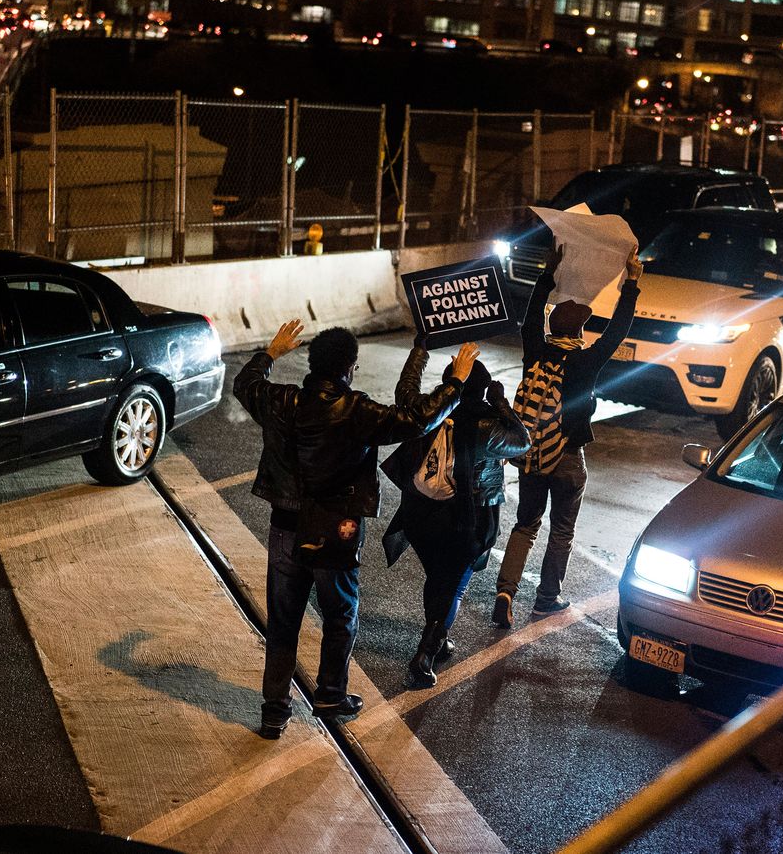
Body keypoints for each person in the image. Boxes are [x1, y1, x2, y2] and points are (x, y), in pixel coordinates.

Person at [234, 319, 479, 738]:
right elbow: (417, 417)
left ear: (312, 364)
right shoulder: (357, 410)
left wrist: (271, 352)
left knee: (283, 621)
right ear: (349, 368)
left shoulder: (280, 400)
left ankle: (274, 710)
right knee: (340, 614)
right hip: (337, 529)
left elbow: (246, 382)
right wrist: (456, 383)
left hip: (286, 526)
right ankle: (331, 693)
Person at [492, 244, 643, 627]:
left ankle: (505, 591)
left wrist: (548, 273)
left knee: (525, 524)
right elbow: (617, 331)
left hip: (529, 455)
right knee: (562, 529)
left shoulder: (535, 351)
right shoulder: (585, 360)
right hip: (568, 458)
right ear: (578, 332)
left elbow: (529, 320)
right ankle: (546, 598)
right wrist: (631, 283)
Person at [381, 342, 530, 688]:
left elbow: (405, 391)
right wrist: (502, 404)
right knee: (455, 585)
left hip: (418, 513)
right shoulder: (488, 427)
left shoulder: (428, 410)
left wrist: (420, 348)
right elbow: (523, 442)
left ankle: (440, 636)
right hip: (466, 519)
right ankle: (426, 652)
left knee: (437, 577)